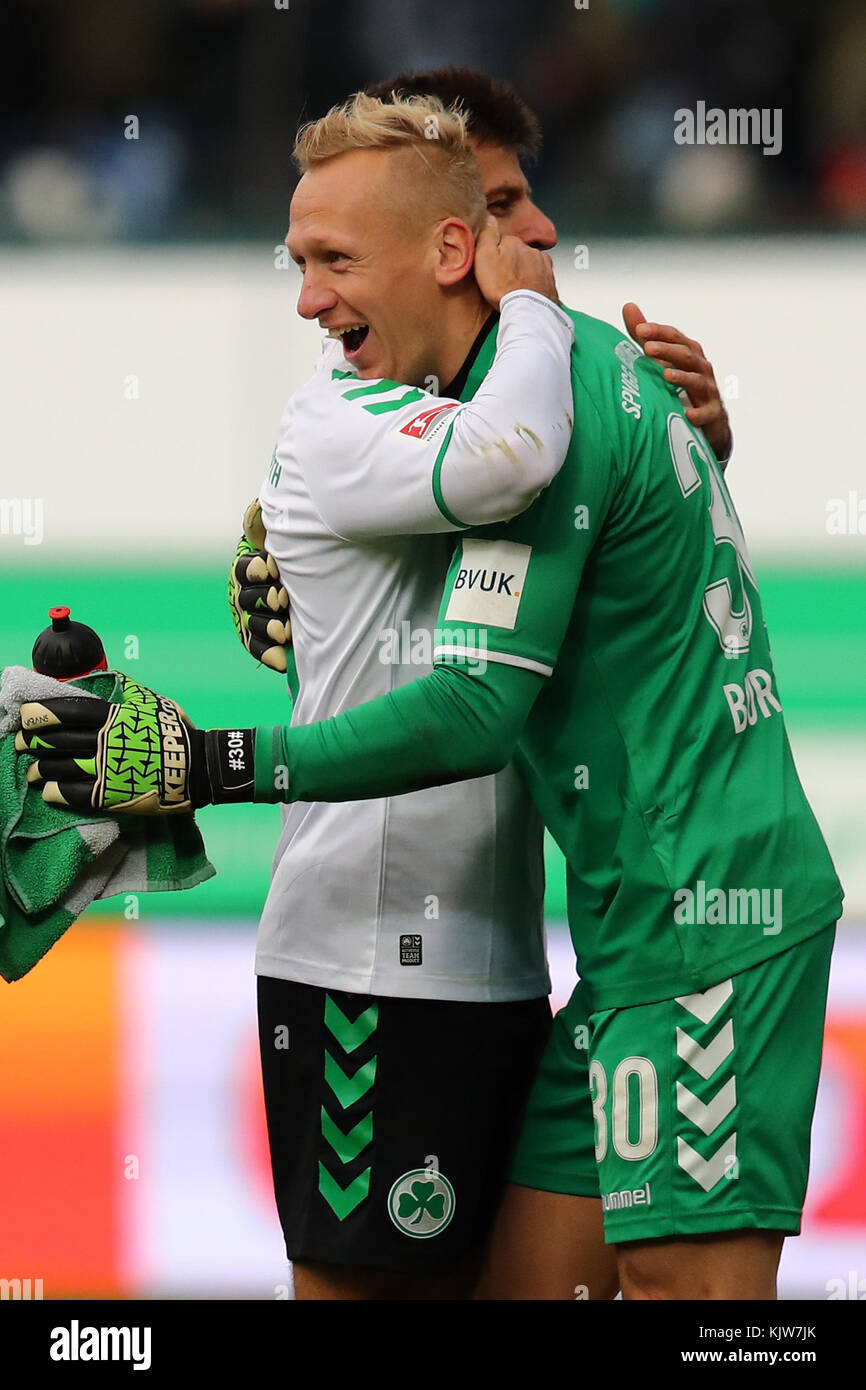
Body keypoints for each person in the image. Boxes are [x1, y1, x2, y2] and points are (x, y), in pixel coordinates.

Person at [22, 90, 831, 1303]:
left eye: (333, 260)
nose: (538, 237)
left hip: (705, 921)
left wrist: (212, 765)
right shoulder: (580, 377)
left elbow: (469, 710)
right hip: (617, 945)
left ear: (449, 251)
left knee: (693, 1298)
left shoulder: (539, 413)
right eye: (299, 261)